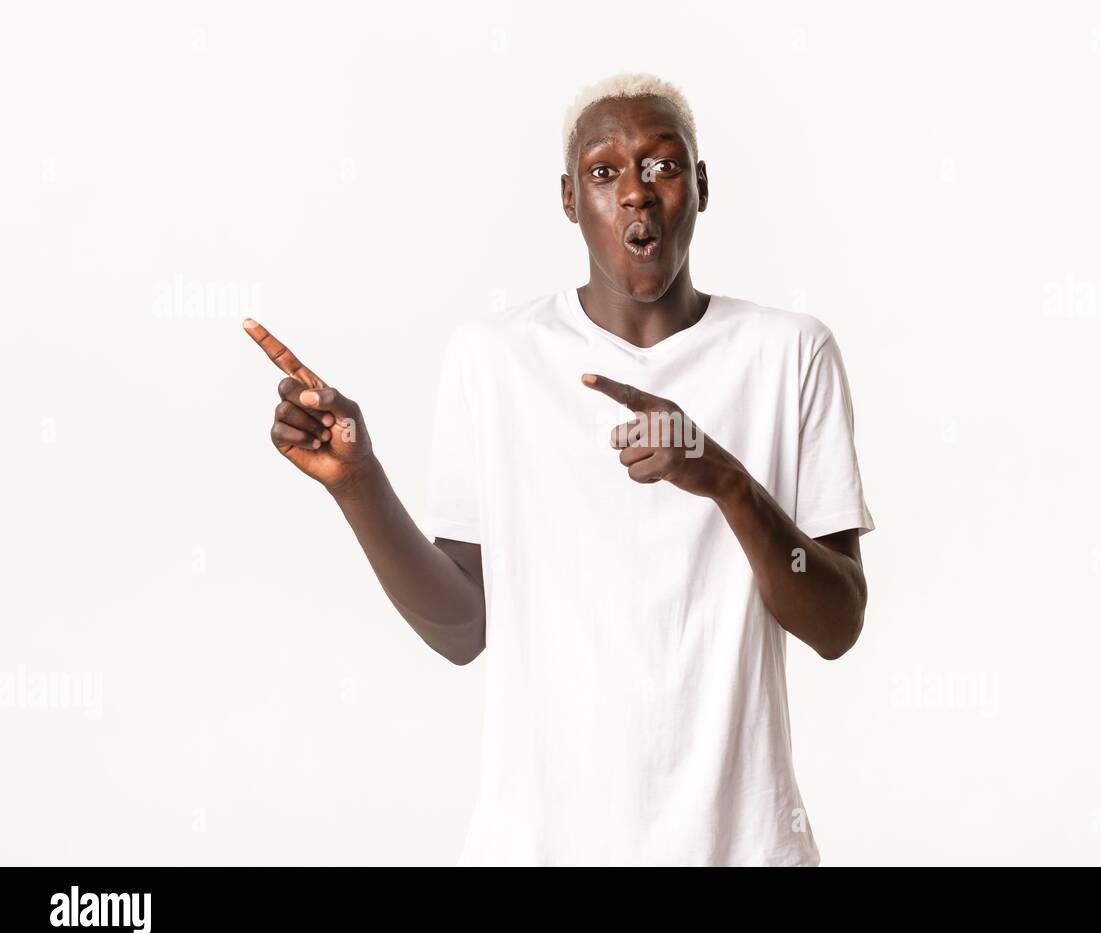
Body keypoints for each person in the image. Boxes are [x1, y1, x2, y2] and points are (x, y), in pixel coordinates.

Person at [243, 72, 874, 866]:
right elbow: (464, 630)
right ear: (571, 200)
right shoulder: (495, 358)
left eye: (663, 165)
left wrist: (725, 481)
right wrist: (359, 484)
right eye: (605, 172)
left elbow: (838, 623)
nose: (636, 194)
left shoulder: (790, 353)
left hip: (740, 848)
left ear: (702, 188)